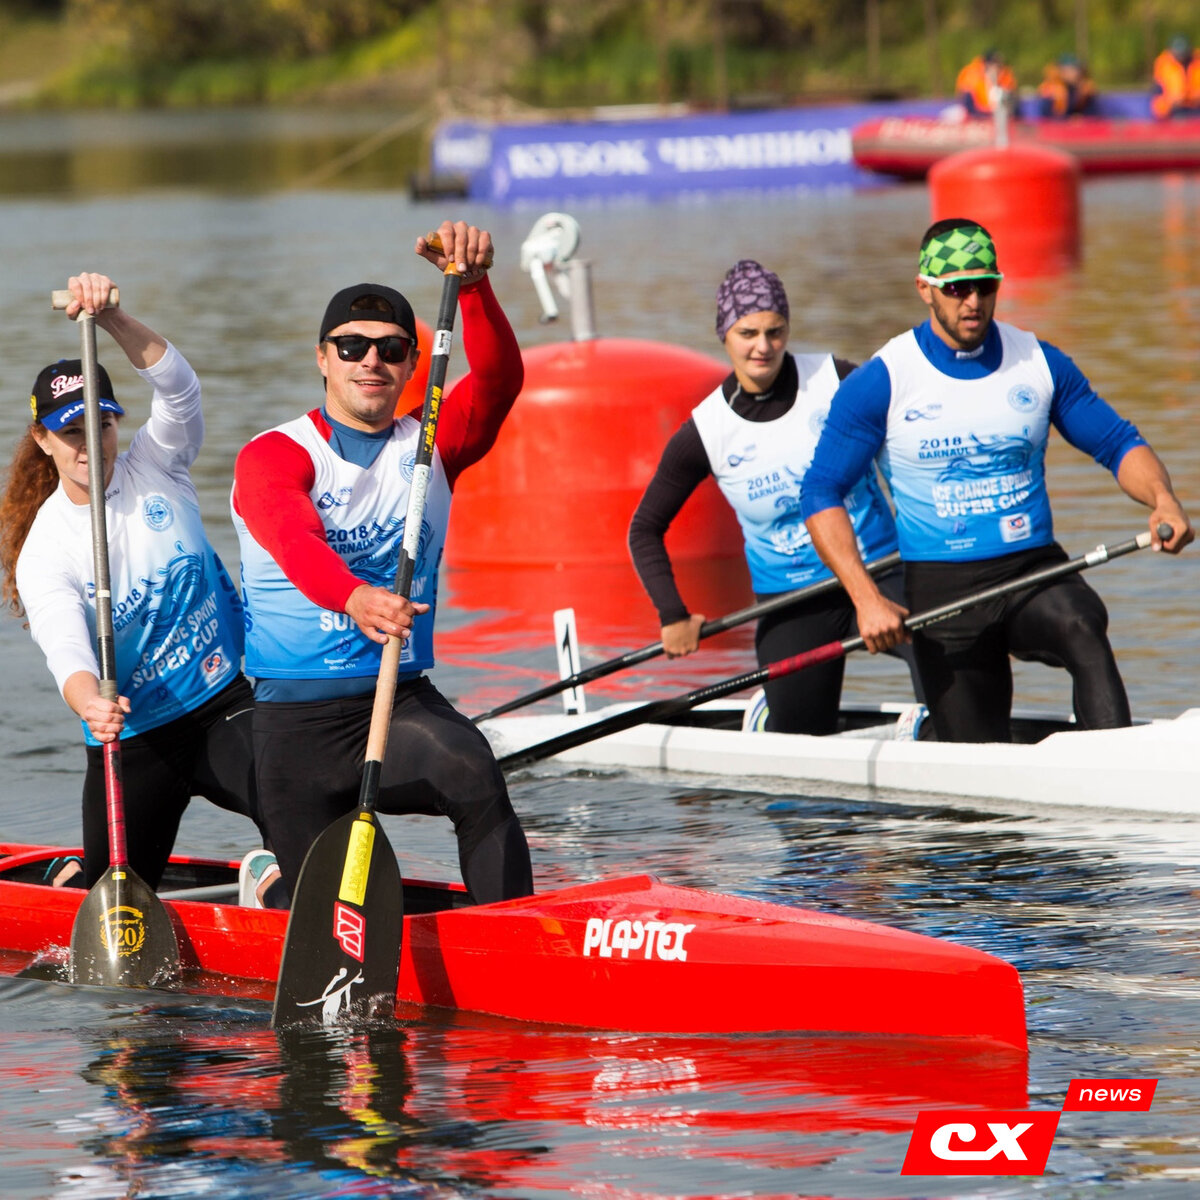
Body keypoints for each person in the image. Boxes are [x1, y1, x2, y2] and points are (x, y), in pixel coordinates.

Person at [231, 219, 533, 909]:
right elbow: (294, 539)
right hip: (294, 730)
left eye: (391, 349)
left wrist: (477, 286)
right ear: (323, 359)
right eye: (352, 347)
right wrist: (355, 598)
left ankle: (514, 936)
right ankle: (273, 887)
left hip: (396, 703)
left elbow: (500, 380)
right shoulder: (274, 454)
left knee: (474, 772)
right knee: (337, 907)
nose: (371, 360)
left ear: (409, 363)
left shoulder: (432, 445)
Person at [799, 218, 1193, 745]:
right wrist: (866, 597)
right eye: (956, 288)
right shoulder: (883, 380)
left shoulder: (1039, 362)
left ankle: (1115, 770)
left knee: (1082, 624)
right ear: (925, 290)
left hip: (1032, 570)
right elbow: (820, 490)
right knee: (976, 800)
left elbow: (1117, 443)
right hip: (944, 592)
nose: (973, 301)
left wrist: (1163, 499)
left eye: (985, 286)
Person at [0, 273, 268, 894]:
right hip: (133, 736)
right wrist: (89, 702)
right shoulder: (45, 550)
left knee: (297, 801)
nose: (91, 442)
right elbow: (66, 646)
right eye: (71, 433)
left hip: (222, 705)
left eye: (103, 423)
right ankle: (74, 878)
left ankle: (274, 874)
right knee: (115, 896)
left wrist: (114, 317)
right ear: (43, 441)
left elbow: (180, 389)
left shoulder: (157, 461)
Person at [627, 259, 924, 736]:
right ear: (724, 334)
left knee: (942, 650)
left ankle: (948, 727)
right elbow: (644, 529)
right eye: (748, 333)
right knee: (801, 738)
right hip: (791, 597)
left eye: (775, 331)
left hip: (880, 571)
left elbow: (915, 448)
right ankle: (772, 717)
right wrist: (673, 615)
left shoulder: (838, 381)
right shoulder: (707, 432)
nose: (763, 347)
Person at [955, 49, 1017, 118]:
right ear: (986, 64)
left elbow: (1011, 103)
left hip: (998, 115)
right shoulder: (971, 75)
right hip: (976, 115)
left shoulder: (1006, 76)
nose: (996, 68)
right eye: (994, 64)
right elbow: (968, 105)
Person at [1151, 36, 1200, 119]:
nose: (1181, 58)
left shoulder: (1197, 62)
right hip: (1174, 111)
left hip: (1196, 108)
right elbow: (1157, 100)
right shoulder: (1163, 66)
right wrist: (1170, 102)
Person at [1038, 54, 1098, 118]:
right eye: (1068, 70)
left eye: (1075, 70)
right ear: (1059, 71)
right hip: (1056, 122)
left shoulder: (1083, 87)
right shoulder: (1051, 89)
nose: (1074, 73)